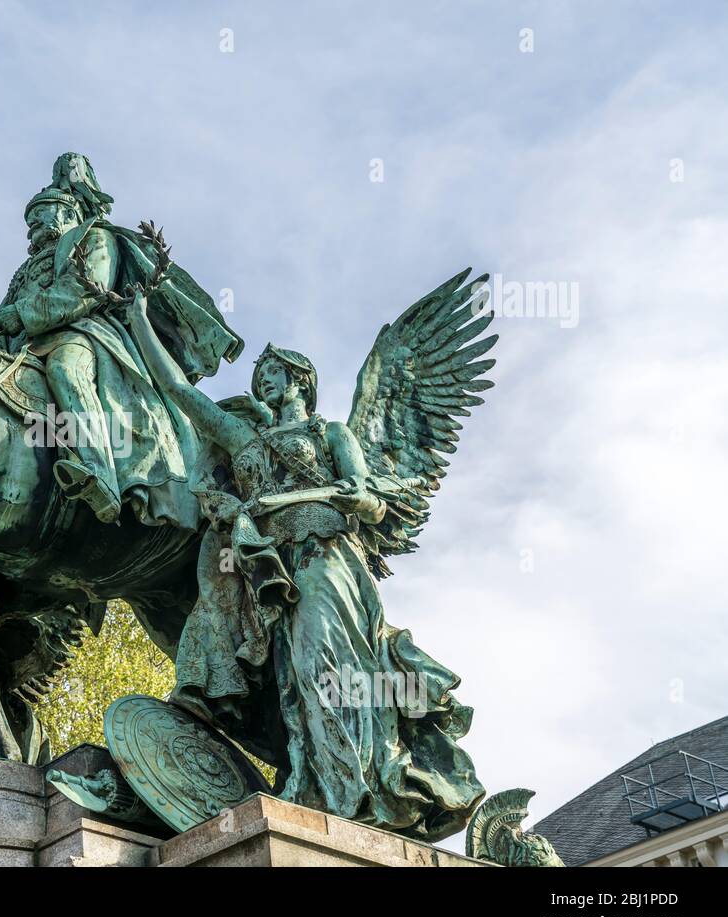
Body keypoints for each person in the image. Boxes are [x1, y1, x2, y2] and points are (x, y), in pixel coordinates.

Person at [125, 290, 484, 841]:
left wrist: (281, 504)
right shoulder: (242, 436)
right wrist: (137, 316)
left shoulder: (332, 434)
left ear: (299, 380)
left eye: (274, 370)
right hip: (275, 577)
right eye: (259, 371)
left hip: (329, 561)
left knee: (326, 667)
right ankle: (315, 788)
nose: (262, 378)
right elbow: (176, 390)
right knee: (292, 682)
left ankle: (360, 792)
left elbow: (368, 502)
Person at [0, 153, 242, 527]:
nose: (31, 227)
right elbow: (1, 315)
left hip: (84, 334)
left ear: (66, 214)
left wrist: (25, 315)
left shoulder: (93, 238)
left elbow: (85, 290)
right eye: (29, 221)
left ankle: (99, 471)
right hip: (23, 345)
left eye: (40, 216)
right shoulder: (24, 269)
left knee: (65, 369)